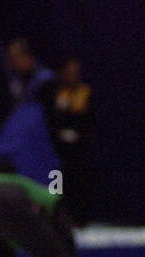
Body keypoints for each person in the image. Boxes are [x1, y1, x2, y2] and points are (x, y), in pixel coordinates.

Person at [51, 56, 96, 226]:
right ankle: (58, 220)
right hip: (59, 153)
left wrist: (79, 136)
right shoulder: (56, 93)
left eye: (75, 72)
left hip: (81, 150)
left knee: (81, 185)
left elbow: (92, 122)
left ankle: (82, 220)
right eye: (68, 72)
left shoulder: (85, 92)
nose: (72, 75)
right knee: (57, 185)